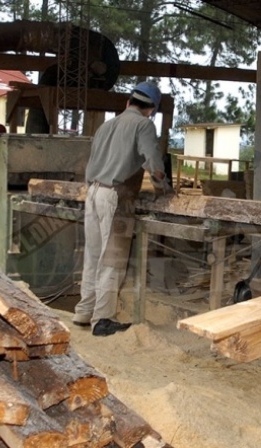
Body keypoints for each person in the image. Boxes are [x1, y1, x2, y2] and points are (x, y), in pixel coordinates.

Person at [73, 81, 172, 336]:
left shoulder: (106, 126)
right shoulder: (144, 125)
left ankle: (84, 312)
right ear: (151, 110)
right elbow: (154, 163)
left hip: (93, 192)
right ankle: (102, 319)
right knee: (113, 259)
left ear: (129, 102)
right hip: (116, 196)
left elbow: (92, 161)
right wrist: (164, 190)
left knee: (93, 255)